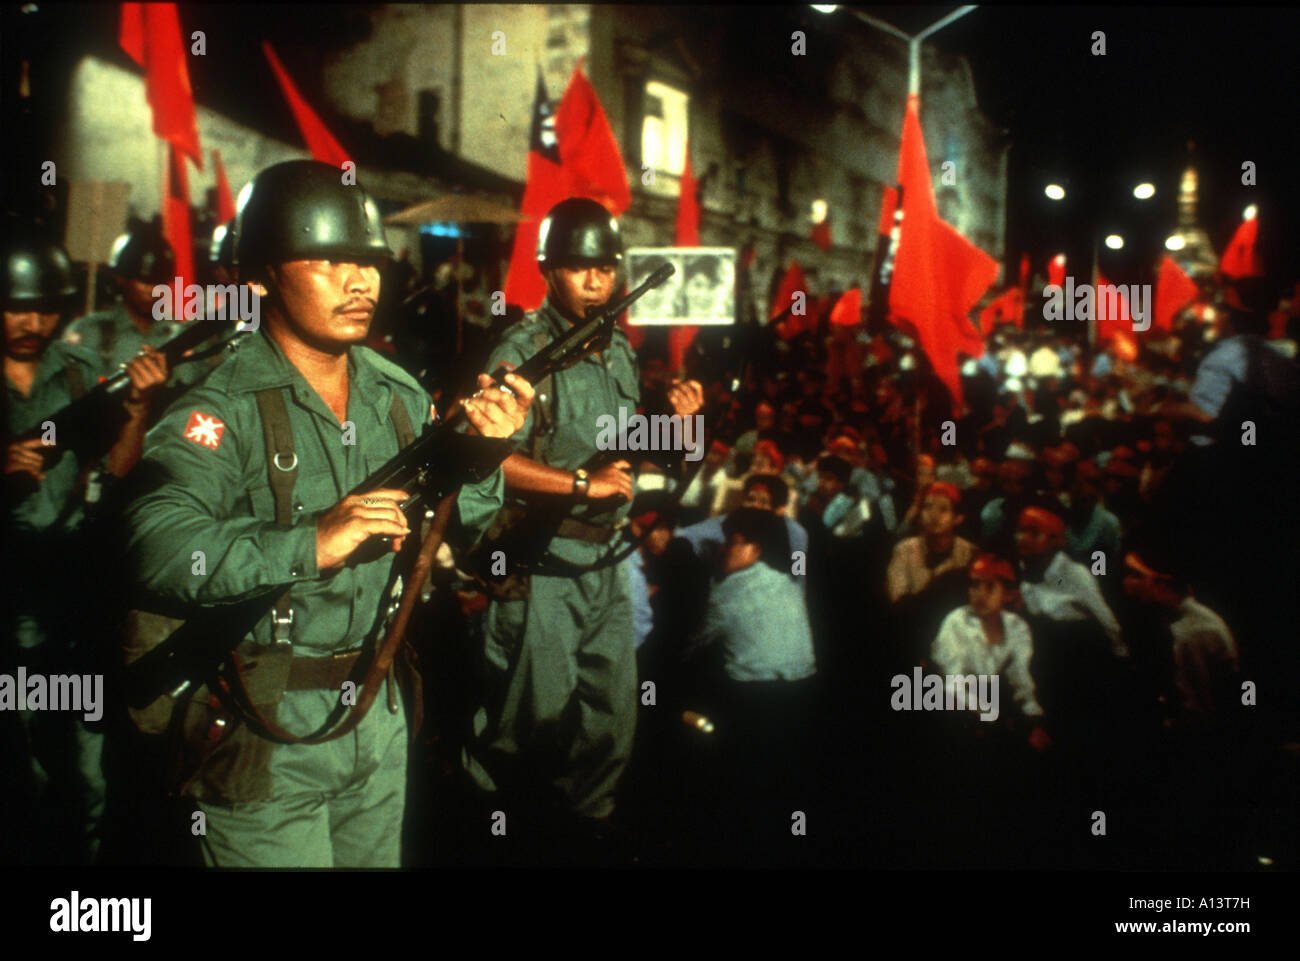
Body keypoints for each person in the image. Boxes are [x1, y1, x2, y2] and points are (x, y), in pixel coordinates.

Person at [121, 159, 531, 868]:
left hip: (377, 710)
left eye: (368, 260)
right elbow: (154, 544)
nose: (359, 280)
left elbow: (459, 526)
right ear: (261, 278)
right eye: (330, 258)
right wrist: (311, 541)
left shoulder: (398, 394)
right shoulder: (216, 408)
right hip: (263, 727)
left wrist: (482, 458)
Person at [463, 197, 702, 840]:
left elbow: (619, 447)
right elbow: (489, 459)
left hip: (607, 559)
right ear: (548, 271)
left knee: (610, 716)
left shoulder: (617, 349)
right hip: (544, 558)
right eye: (578, 267)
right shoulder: (524, 349)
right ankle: (483, 818)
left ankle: (588, 826)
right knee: (525, 716)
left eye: (605, 267)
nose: (595, 281)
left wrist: (673, 426)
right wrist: (577, 484)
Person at [3, 228, 170, 864]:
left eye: (46, 308)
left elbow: (121, 470)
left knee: (85, 774)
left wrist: (137, 409)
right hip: (8, 600)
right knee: (21, 772)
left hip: (64, 600)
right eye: (18, 306)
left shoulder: (76, 377)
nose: (33, 322)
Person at [886, 481, 975, 604]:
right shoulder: (904, 550)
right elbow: (898, 597)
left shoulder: (969, 553)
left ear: (957, 518)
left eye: (943, 509)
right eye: (928, 507)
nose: (934, 515)